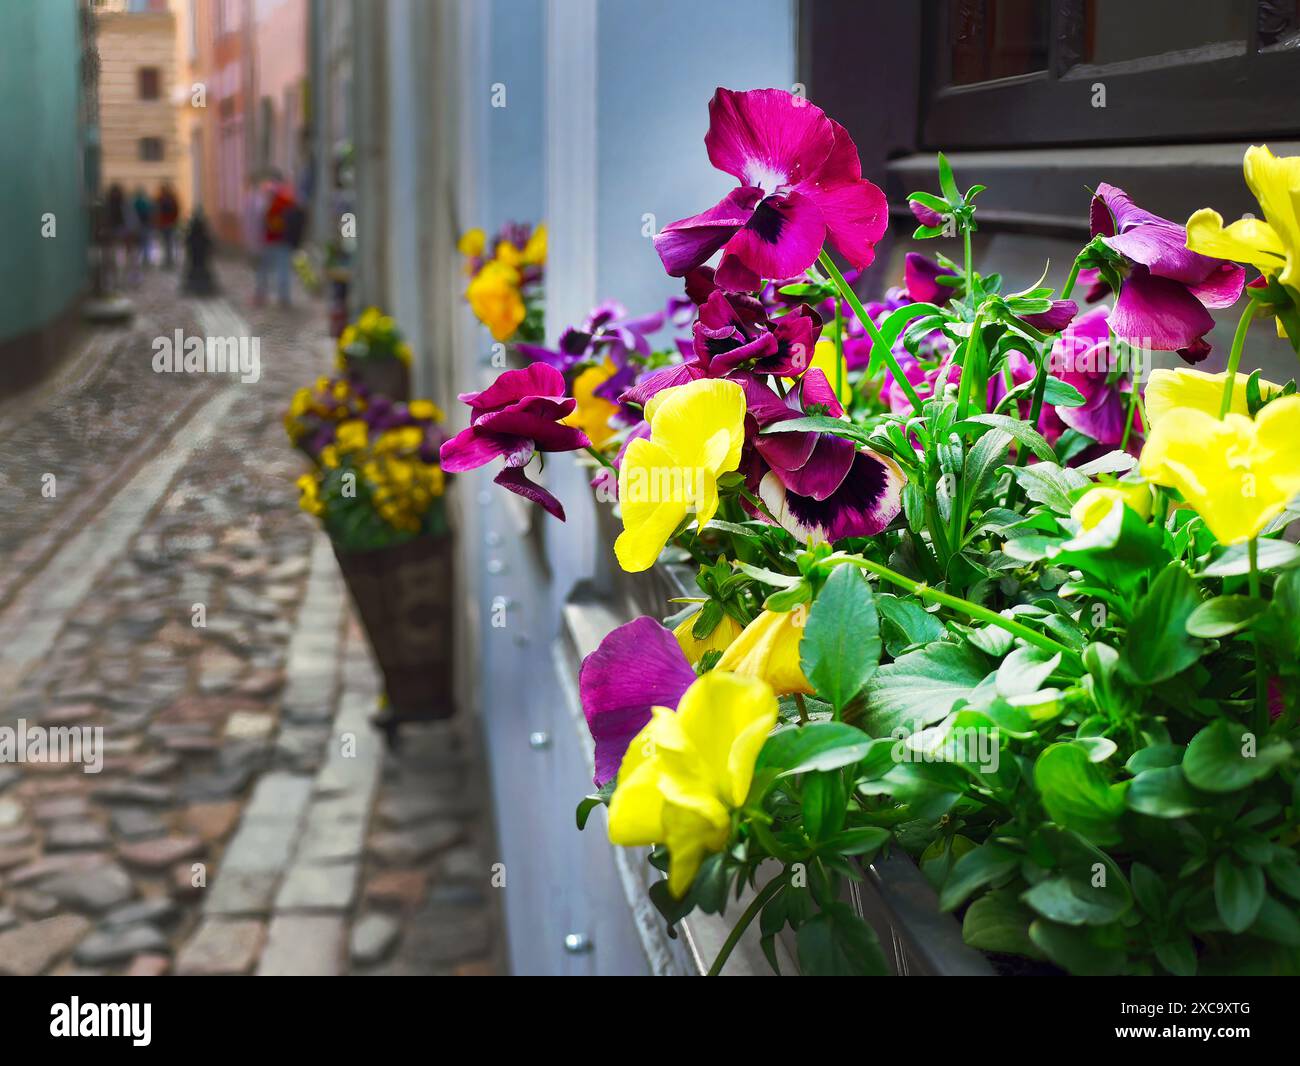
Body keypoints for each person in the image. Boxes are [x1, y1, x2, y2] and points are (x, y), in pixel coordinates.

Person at [254, 173, 296, 308]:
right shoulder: (287, 199)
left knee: (265, 269)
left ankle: (262, 294)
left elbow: (261, 217)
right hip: (281, 240)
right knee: (281, 269)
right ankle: (282, 296)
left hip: (272, 239)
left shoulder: (269, 198)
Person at [155, 182, 180, 269]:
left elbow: (157, 211)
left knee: (167, 244)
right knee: (168, 243)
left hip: (166, 224)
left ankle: (168, 261)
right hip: (167, 224)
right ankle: (168, 261)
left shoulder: (162, 199)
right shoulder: (169, 198)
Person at [132, 186, 153, 268]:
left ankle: (143, 260)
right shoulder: (144, 202)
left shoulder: (138, 202)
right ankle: (144, 260)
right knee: (144, 243)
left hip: (142, 225)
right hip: (143, 225)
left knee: (142, 243)